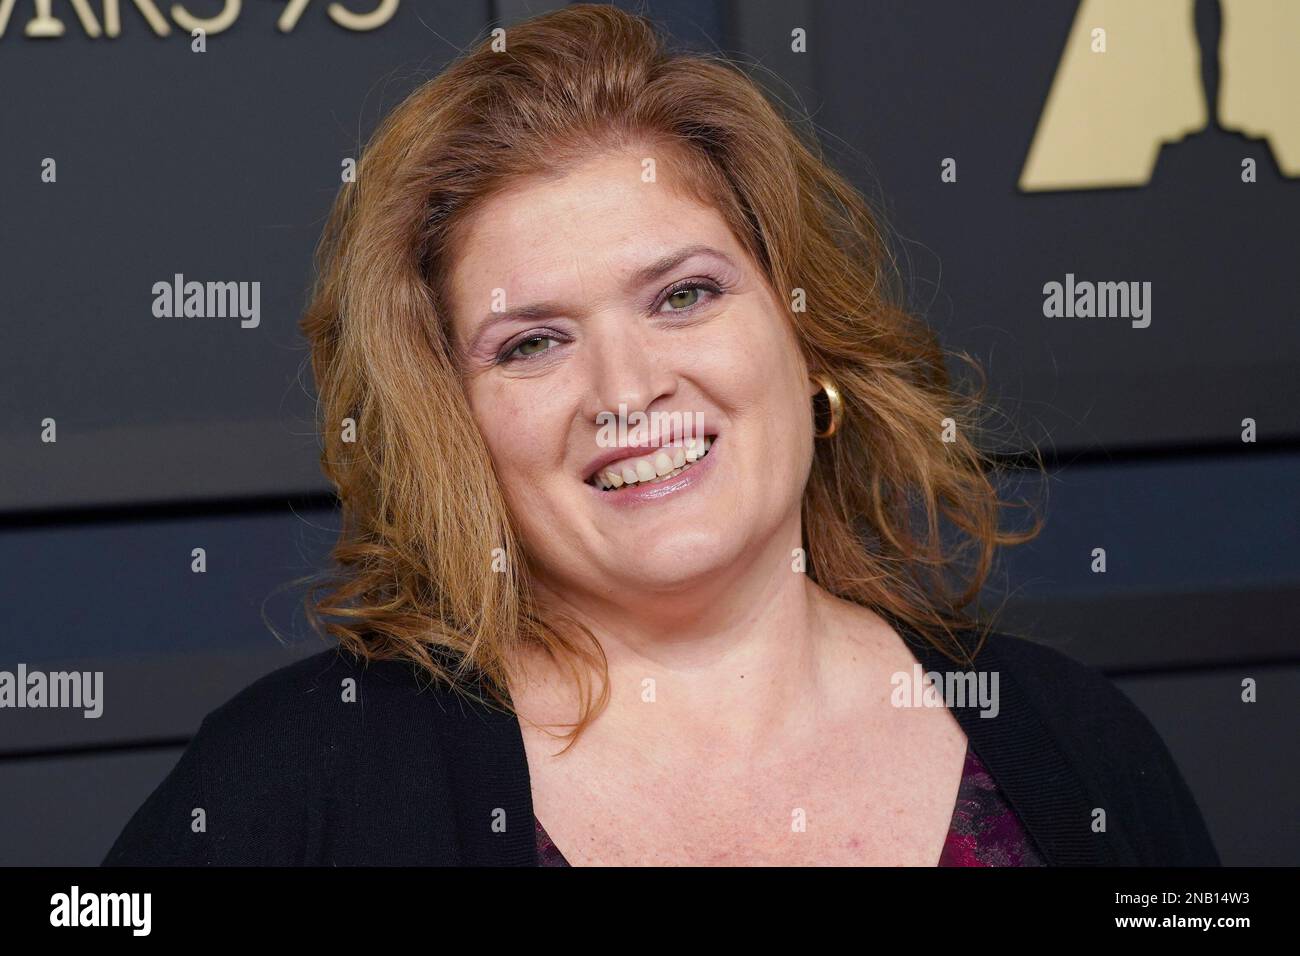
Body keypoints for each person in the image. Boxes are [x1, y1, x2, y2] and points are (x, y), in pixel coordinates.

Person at [103, 3, 1218, 867]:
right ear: (457, 422)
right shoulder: (299, 788)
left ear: (804, 331)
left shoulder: (1075, 744)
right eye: (530, 343)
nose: (626, 386)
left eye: (682, 295)